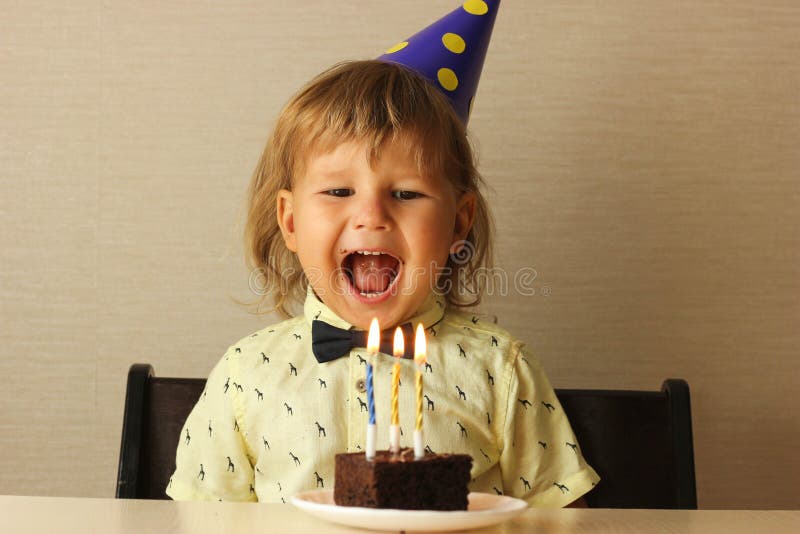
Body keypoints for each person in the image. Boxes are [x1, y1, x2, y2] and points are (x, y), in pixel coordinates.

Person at [167, 1, 599, 507]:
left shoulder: (502, 369)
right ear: (290, 221)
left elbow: (562, 517)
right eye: (338, 191)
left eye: (407, 193)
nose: (371, 216)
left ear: (459, 222)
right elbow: (200, 520)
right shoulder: (245, 373)